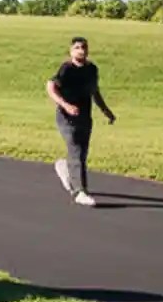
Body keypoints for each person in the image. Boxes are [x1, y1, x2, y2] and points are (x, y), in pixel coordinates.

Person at [46, 36, 117, 207]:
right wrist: (66, 105)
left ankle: (65, 169)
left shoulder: (92, 69)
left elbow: (95, 92)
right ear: (71, 51)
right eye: (77, 47)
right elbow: (50, 86)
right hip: (66, 118)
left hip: (85, 117)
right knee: (75, 148)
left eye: (84, 47)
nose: (81, 50)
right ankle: (80, 192)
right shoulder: (67, 69)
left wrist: (106, 111)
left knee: (81, 155)